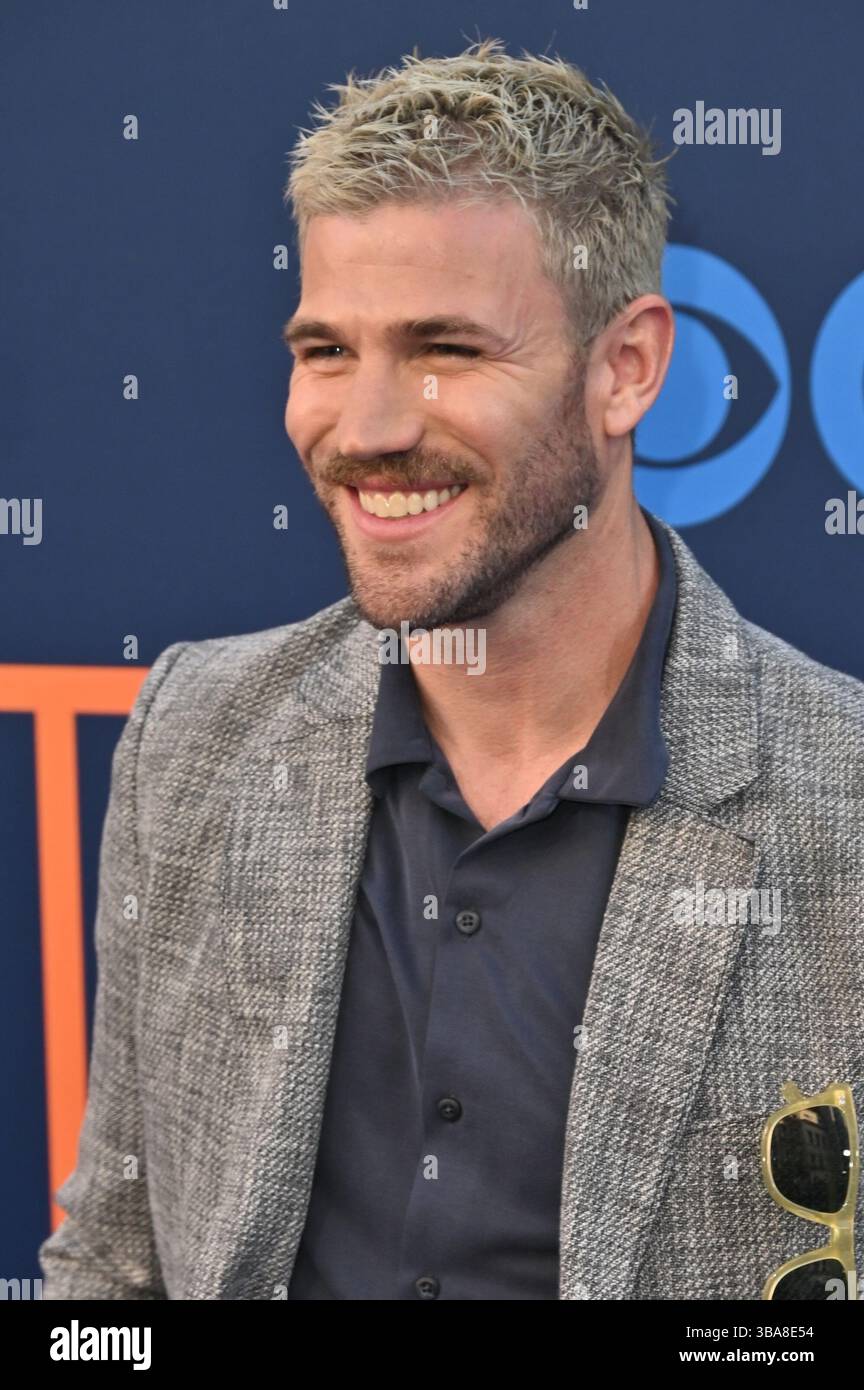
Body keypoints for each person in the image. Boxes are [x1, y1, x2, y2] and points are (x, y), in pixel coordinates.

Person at [39, 38, 864, 1301]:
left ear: (627, 368)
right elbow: (117, 1267)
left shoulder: (842, 803)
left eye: (449, 352)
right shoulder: (196, 733)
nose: (363, 429)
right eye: (325, 351)